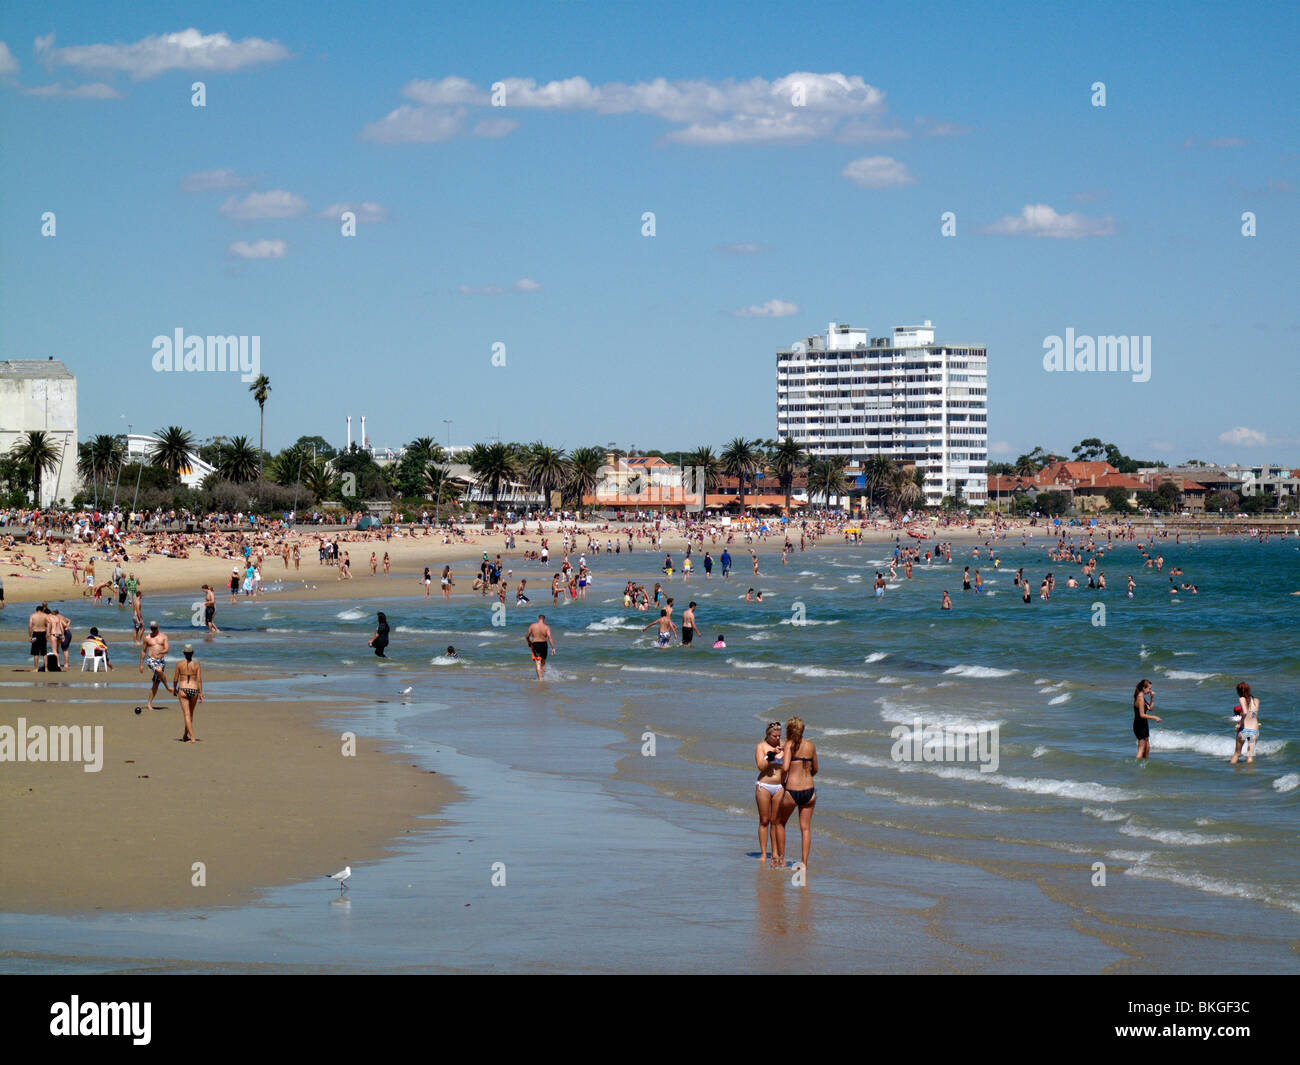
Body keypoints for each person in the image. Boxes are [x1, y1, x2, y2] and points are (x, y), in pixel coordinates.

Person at [775, 716, 818, 869]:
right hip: (809, 791)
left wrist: (782, 782)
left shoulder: (789, 745)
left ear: (789, 730)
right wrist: (806, 778)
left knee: (779, 822)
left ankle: (781, 859)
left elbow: (785, 767)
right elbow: (816, 769)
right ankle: (804, 863)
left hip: (792, 790)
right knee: (805, 828)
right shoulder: (811, 745)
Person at [754, 721, 785, 867]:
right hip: (764, 786)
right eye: (774, 736)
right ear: (768, 734)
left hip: (779, 786)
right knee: (764, 820)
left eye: (779, 736)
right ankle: (762, 853)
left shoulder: (784, 746)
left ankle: (775, 853)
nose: (777, 739)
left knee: (776, 821)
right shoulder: (761, 747)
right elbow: (760, 766)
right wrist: (771, 755)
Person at [172, 644, 203, 743]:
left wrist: (174, 689)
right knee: (190, 715)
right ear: (192, 653)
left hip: (183, 688)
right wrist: (201, 693)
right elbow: (199, 680)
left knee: (186, 714)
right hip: (194, 689)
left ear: (184, 653)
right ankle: (185, 735)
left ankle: (192, 737)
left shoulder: (179, 664)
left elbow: (175, 678)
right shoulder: (197, 664)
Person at [140, 621, 173, 710]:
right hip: (151, 660)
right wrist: (141, 664)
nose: (153, 630)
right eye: (152, 628)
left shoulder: (164, 637)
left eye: (155, 628)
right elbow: (143, 651)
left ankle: (149, 704)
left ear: (158, 627)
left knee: (155, 684)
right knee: (158, 670)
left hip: (161, 661)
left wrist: (160, 652)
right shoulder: (147, 638)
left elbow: (167, 649)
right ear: (150, 628)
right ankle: (167, 687)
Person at [1231, 681, 1260, 765]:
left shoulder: (1241, 699)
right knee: (1250, 756)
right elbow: (1253, 714)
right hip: (1255, 730)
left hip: (1244, 729)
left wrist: (1239, 724)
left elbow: (1245, 712)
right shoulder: (1256, 700)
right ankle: (1249, 774)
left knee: (1237, 754)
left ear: (1238, 691)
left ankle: (1231, 774)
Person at [1132, 678, 1160, 759]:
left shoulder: (1143, 697)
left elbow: (1150, 708)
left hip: (1143, 724)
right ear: (1144, 688)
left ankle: (1145, 763)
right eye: (1149, 688)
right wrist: (1154, 717)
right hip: (1139, 725)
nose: (1150, 690)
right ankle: (1136, 765)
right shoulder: (1140, 697)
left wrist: (1152, 698)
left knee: (1147, 746)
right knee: (1141, 748)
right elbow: (1142, 715)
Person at [525, 614, 556, 680]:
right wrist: (553, 648)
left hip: (536, 644)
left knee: (538, 662)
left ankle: (540, 679)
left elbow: (527, 636)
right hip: (544, 644)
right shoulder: (546, 627)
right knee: (543, 662)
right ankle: (544, 677)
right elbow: (550, 637)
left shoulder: (532, 626)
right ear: (544, 620)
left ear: (538, 619)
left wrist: (529, 642)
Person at [27, 602, 49, 671]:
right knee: (44, 653)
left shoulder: (33, 615)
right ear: (42, 610)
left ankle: (36, 668)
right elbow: (48, 625)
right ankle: (46, 668)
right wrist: (47, 634)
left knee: (35, 653)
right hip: (43, 633)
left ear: (36, 610)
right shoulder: (45, 615)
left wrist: (30, 636)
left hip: (35, 634)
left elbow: (30, 626)